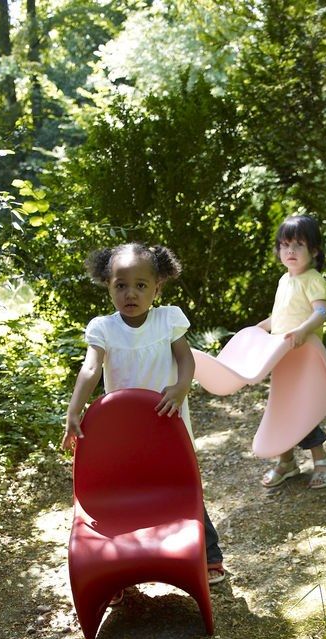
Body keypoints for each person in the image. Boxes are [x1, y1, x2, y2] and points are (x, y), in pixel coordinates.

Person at [61, 242, 226, 584]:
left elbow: (185, 358)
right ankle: (119, 568)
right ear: (108, 286)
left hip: (168, 419)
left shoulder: (168, 320)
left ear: (157, 287)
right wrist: (73, 411)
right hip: (126, 431)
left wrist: (182, 387)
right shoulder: (103, 328)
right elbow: (91, 370)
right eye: (121, 285)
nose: (130, 293)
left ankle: (209, 555)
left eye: (140, 285)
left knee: (182, 485)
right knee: (129, 491)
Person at [256, 214, 326, 489]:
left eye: (298, 245)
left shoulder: (312, 279)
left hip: (304, 357)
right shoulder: (284, 280)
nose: (290, 251)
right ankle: (287, 461)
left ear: (313, 250)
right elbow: (281, 316)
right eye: (285, 244)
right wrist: (263, 327)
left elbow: (321, 312)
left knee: (300, 410)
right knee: (281, 408)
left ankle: (321, 459)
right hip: (282, 357)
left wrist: (304, 330)